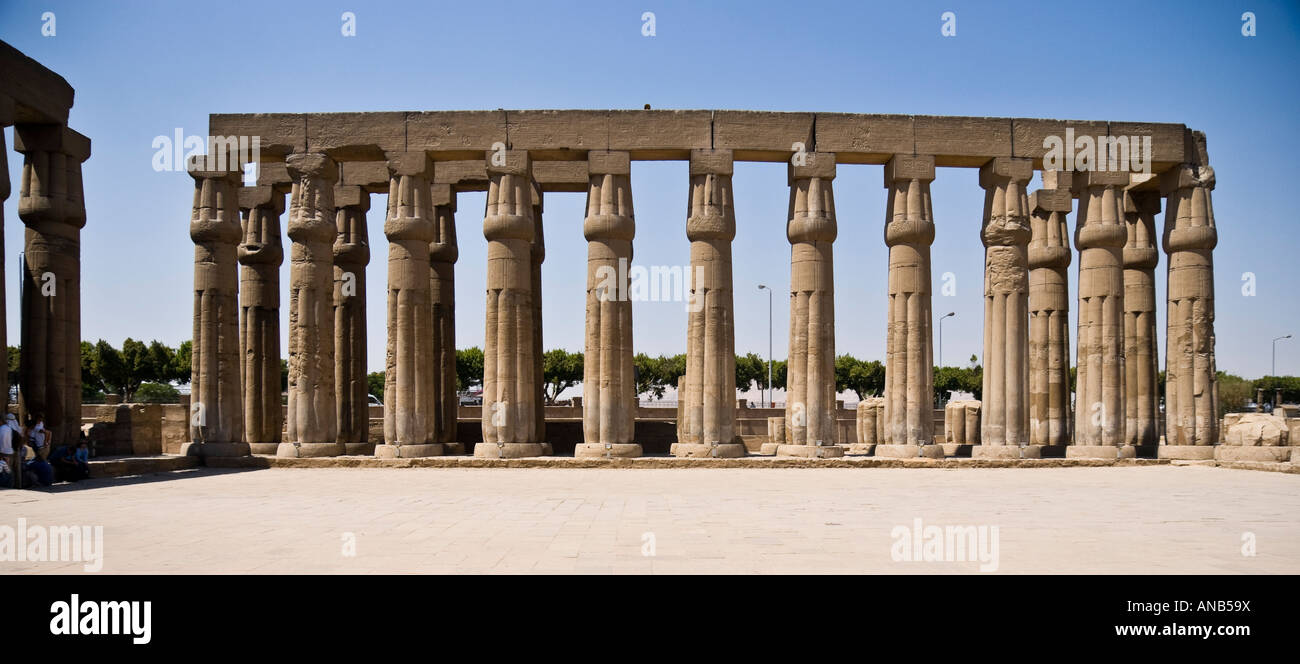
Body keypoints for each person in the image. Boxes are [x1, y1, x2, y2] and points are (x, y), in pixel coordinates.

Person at [0, 413, 21, 489]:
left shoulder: (4, 429)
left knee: (8, 470)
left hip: (7, 452)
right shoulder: (16, 429)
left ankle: (10, 486)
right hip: (15, 451)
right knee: (17, 470)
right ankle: (18, 485)